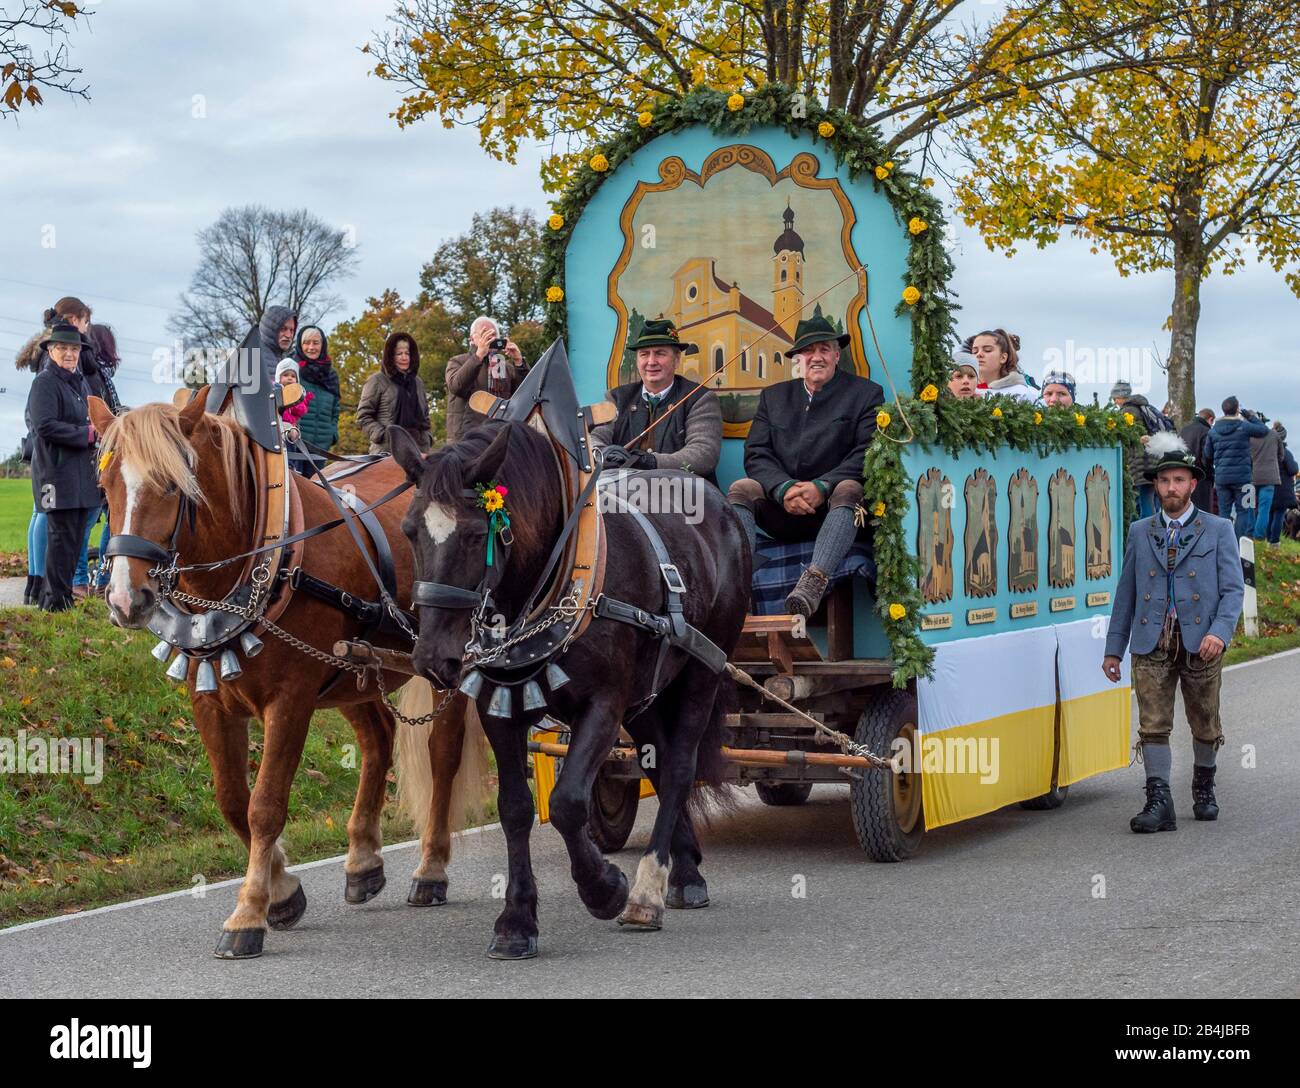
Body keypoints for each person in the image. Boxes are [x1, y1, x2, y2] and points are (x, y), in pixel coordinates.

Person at [1103, 433, 1244, 833]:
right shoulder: (1140, 530)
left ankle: (1204, 785)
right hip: (1151, 642)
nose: (1170, 488)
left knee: (1204, 722)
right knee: (1152, 723)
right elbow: (1125, 594)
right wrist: (1114, 649)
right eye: (1164, 481)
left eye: (1178, 480)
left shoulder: (1218, 530)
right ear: (1156, 486)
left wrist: (1220, 632)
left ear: (1192, 484)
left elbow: (1233, 590)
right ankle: (1158, 799)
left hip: (1202, 642)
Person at [727, 314, 884, 616]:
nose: (817, 357)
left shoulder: (866, 394)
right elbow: (756, 452)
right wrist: (783, 488)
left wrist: (822, 487)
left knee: (851, 487)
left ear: (837, 355)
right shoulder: (773, 396)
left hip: (834, 509)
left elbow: (867, 451)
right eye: (809, 350)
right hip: (782, 508)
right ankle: (738, 585)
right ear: (798, 358)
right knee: (741, 489)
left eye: (824, 349)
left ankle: (814, 581)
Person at [24, 323, 101, 612]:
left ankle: (62, 597)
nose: (69, 353)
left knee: (76, 538)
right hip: (53, 476)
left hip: (81, 475)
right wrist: (87, 434)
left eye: (74, 349)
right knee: (59, 538)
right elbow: (44, 426)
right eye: (63, 348)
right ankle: (53, 602)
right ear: (51, 351)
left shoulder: (79, 382)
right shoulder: (44, 383)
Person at [590, 318, 721, 484]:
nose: (651, 362)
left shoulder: (700, 398)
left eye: (660, 353)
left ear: (676, 359)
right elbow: (596, 439)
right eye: (644, 354)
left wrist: (651, 461)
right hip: (624, 496)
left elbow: (704, 454)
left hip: (684, 497)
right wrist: (604, 455)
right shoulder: (617, 398)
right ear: (637, 360)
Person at [445, 316, 528, 442]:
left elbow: (523, 396)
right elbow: (457, 387)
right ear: (472, 339)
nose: (490, 337)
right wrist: (478, 356)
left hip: (499, 438)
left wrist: (519, 362)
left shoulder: (502, 365)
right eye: (484, 333)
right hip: (466, 440)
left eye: (493, 334)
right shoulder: (457, 361)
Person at [355, 332, 431, 455]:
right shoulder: (377, 380)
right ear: (391, 356)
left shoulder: (418, 383)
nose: (404, 357)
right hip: (387, 452)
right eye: (399, 354)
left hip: (418, 452)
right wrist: (384, 436)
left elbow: (426, 418)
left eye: (407, 353)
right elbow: (363, 417)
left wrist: (427, 438)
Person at [1204, 395, 1269, 538]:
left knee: (1224, 512)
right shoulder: (1244, 426)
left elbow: (1207, 454)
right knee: (1244, 511)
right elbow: (1264, 430)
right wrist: (1250, 415)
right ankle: (1238, 544)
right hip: (1244, 479)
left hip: (1222, 479)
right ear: (1237, 409)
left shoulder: (1213, 431)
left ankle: (1224, 544)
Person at [1111, 380, 1174, 518]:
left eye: (1115, 398)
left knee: (1144, 502)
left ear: (1122, 395)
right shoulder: (1144, 407)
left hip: (1140, 462)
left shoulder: (1128, 411)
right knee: (1149, 500)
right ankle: (1153, 530)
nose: (1115, 402)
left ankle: (1147, 534)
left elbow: (1125, 435)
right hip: (1152, 460)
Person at [283, 324, 340, 475]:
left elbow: (336, 408)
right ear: (300, 346)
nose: (311, 347)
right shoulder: (292, 370)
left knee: (316, 489)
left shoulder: (331, 375)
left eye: (316, 343)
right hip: (296, 442)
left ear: (323, 345)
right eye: (306, 343)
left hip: (321, 445)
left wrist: (332, 433)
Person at [967, 329, 1035, 401]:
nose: (979, 354)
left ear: (1003, 357)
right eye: (975, 351)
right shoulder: (962, 390)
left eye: (987, 350)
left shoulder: (1020, 393)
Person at [1247, 412, 1281, 543]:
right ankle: (1259, 536)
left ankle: (1248, 533)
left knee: (1248, 506)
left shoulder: (1248, 436)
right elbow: (1281, 456)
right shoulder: (1275, 435)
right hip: (1269, 477)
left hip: (1251, 477)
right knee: (1264, 509)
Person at [1266, 423, 1298, 546]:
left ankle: (1267, 538)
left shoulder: (1266, 451)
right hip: (1282, 489)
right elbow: (1293, 469)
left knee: (1268, 514)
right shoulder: (1285, 452)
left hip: (1267, 486)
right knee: (1278, 515)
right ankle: (1274, 540)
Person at [1179, 407, 1216, 512]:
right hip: (1202, 477)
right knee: (1203, 511)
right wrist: (1210, 473)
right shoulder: (1206, 431)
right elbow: (1207, 456)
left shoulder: (1184, 429)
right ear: (1210, 419)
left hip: (1184, 474)